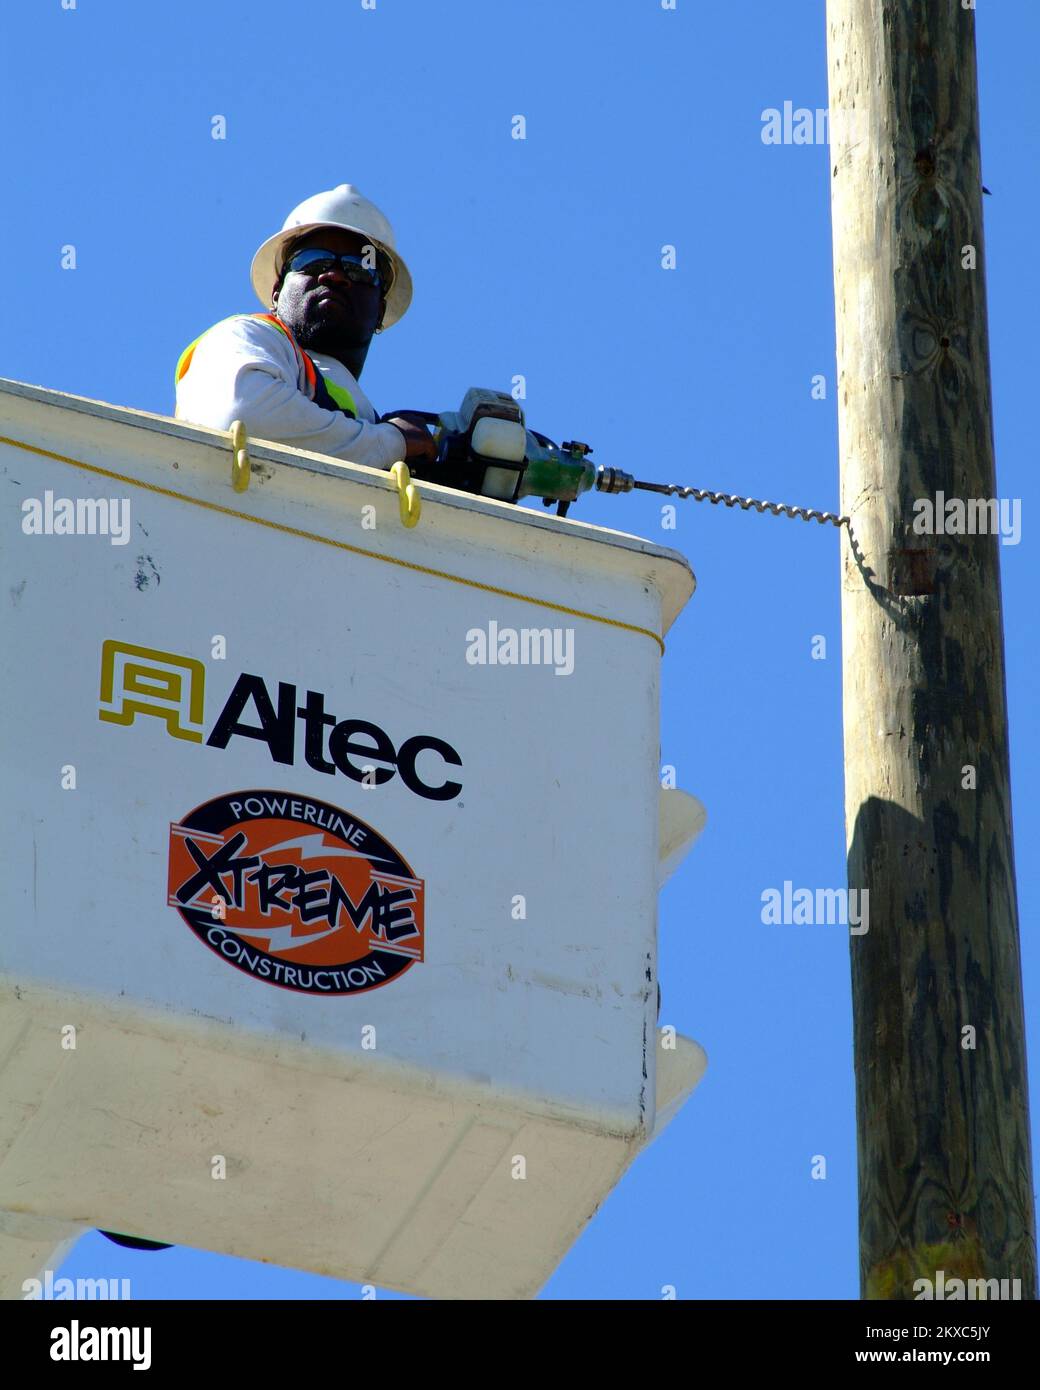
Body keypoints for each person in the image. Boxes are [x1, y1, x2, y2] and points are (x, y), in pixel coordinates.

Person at [174, 185, 435, 470]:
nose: (334, 275)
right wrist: (390, 442)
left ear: (380, 312)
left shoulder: (366, 423)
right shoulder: (244, 336)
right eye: (312, 261)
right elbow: (242, 415)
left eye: (359, 268)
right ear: (277, 291)